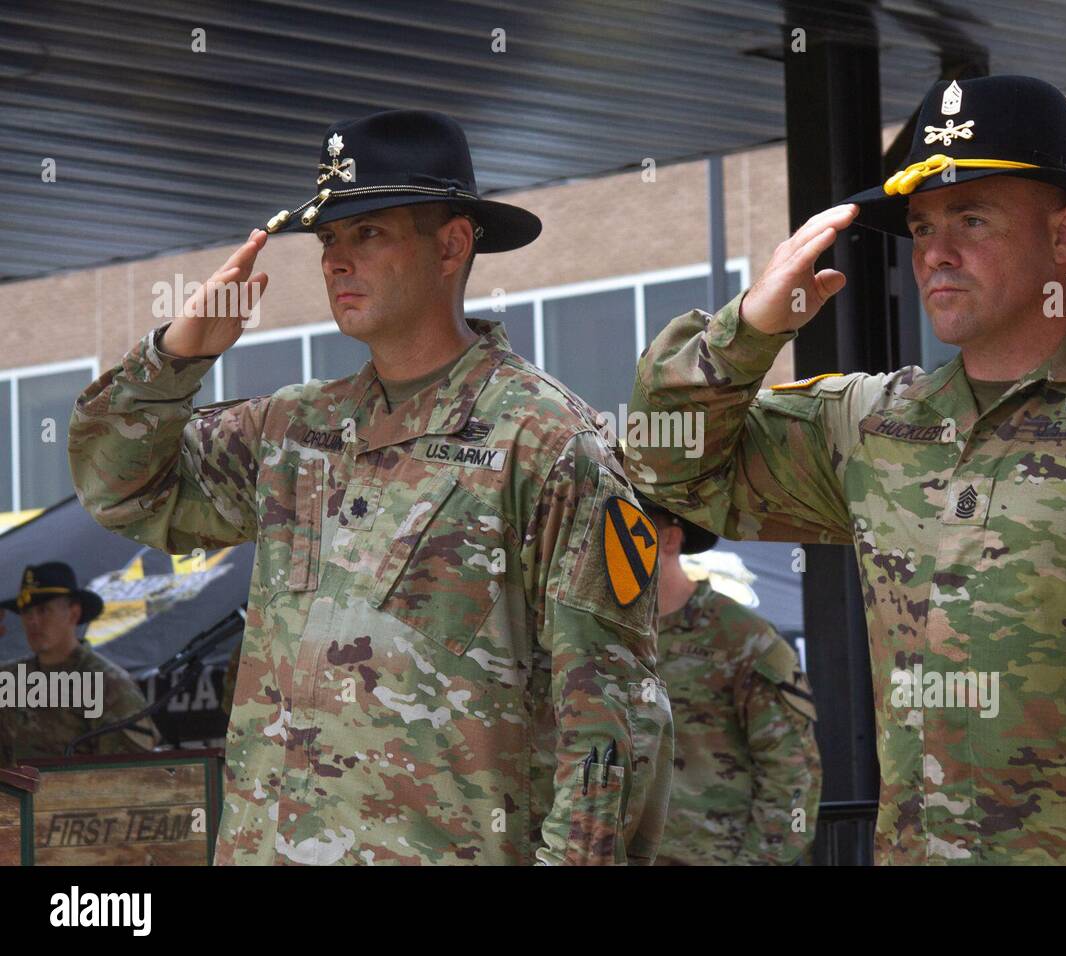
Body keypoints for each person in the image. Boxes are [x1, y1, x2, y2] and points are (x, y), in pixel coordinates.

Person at [625, 74, 1066, 865]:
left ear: (1065, 236)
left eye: (971, 219)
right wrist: (746, 330)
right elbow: (667, 467)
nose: (936, 253)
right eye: (921, 226)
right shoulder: (874, 423)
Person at [68, 109, 671, 865]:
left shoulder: (546, 442)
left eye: (369, 233)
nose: (336, 262)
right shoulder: (293, 428)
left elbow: (611, 722)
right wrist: (176, 356)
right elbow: (119, 488)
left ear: (451, 245)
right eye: (328, 240)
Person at [647, 504, 821, 865]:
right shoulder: (598, 635)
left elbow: (791, 773)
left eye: (629, 528)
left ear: (669, 539)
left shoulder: (743, 639)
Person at [0, 562, 159, 766]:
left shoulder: (106, 684)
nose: (33, 622)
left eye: (43, 610)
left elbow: (133, 774)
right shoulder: (11, 680)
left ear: (73, 613)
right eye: (26, 612)